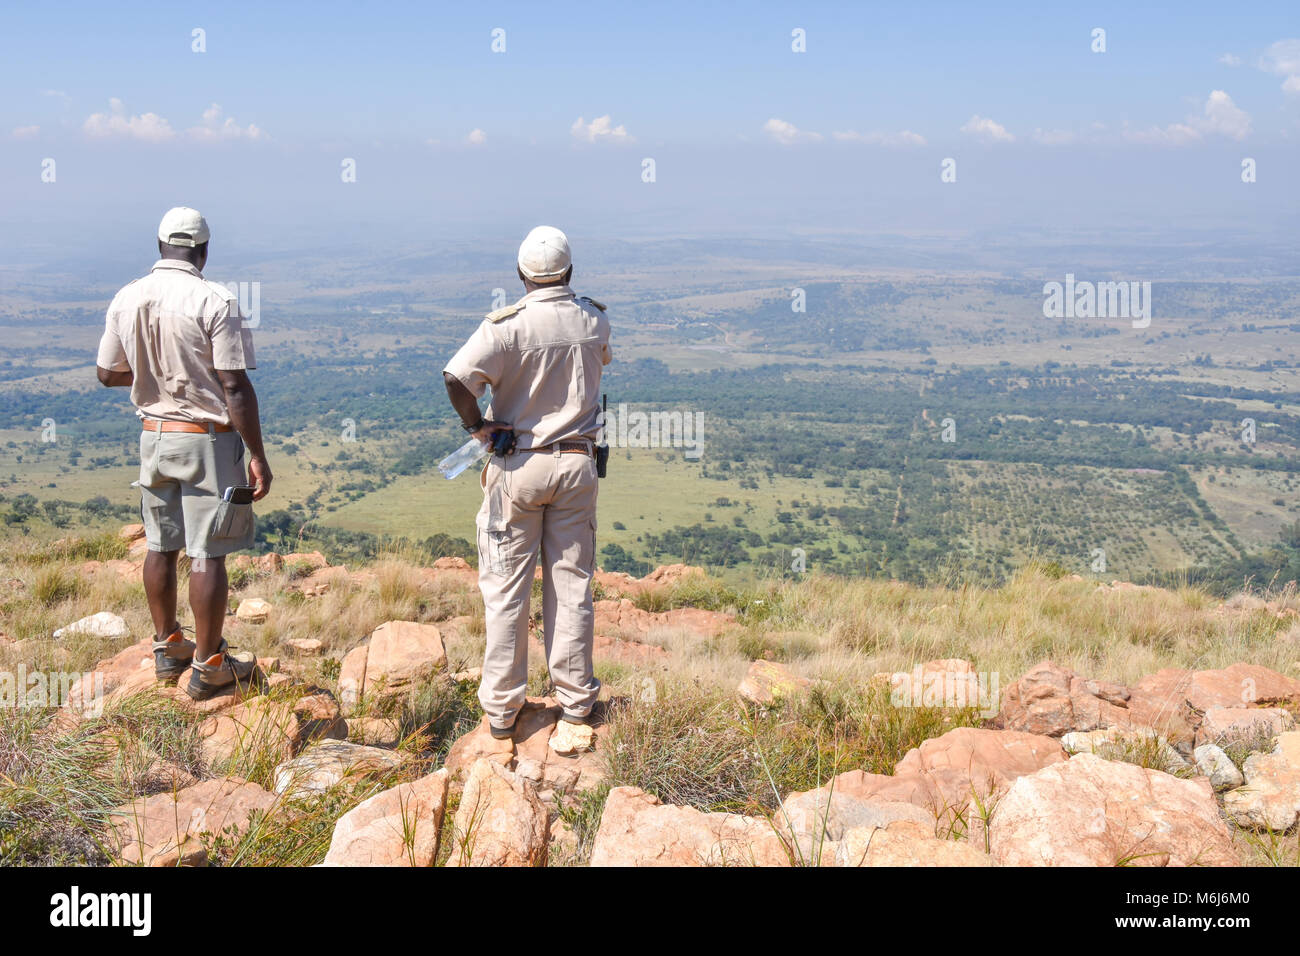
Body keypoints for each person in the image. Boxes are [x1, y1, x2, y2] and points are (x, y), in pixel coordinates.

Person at [95, 206, 272, 700]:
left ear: (159, 247)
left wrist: (156, 376)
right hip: (204, 438)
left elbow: (108, 373)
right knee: (208, 551)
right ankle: (210, 663)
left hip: (153, 434)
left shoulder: (128, 296)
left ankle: (167, 644)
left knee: (159, 543)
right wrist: (257, 454)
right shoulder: (215, 300)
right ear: (204, 251)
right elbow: (234, 385)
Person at [443, 225, 611, 740]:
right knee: (571, 584)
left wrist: (476, 426)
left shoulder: (504, 328)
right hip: (577, 463)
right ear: (569, 271)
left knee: (506, 588)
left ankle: (502, 711)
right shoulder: (594, 320)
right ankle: (576, 702)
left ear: (521, 275)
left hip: (517, 463)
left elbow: (455, 378)